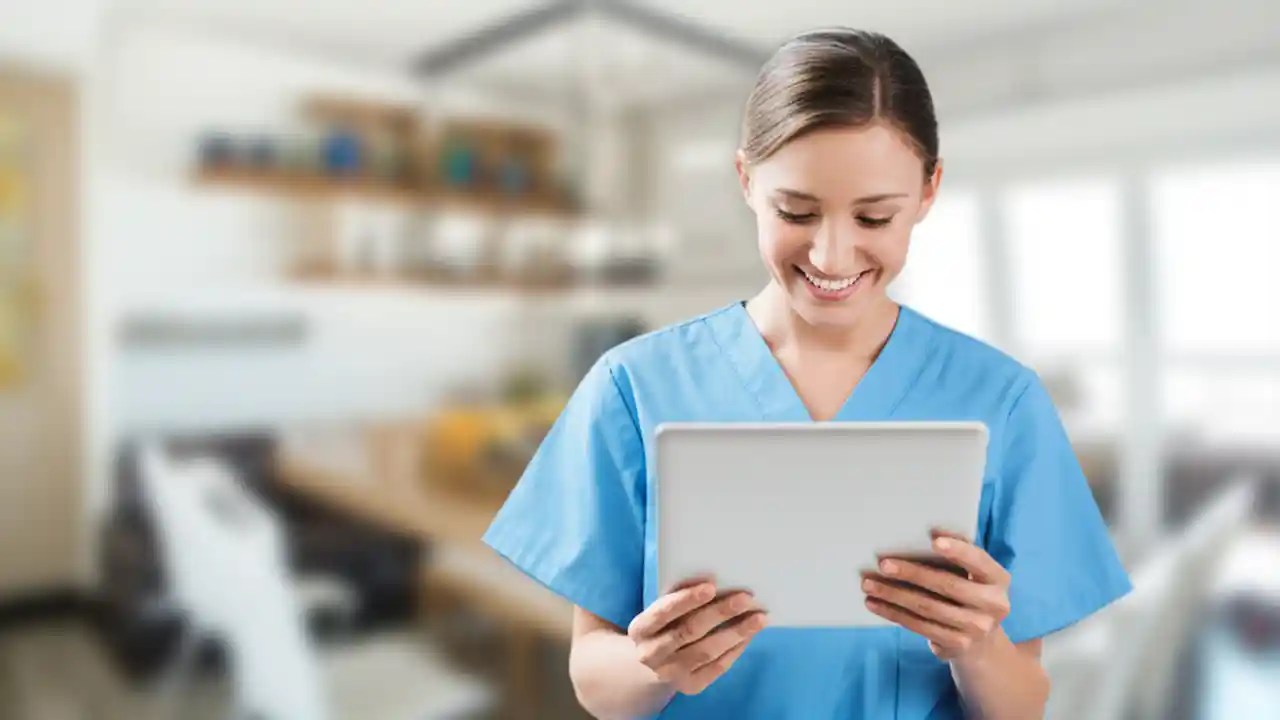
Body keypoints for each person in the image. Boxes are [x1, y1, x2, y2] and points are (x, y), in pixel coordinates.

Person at [483, 27, 1132, 719]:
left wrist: (973, 645)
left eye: (874, 216)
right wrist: (652, 664)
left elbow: (1023, 702)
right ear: (745, 181)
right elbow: (595, 676)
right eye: (796, 211)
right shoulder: (633, 388)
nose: (831, 253)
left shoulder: (1002, 401)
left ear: (929, 190)